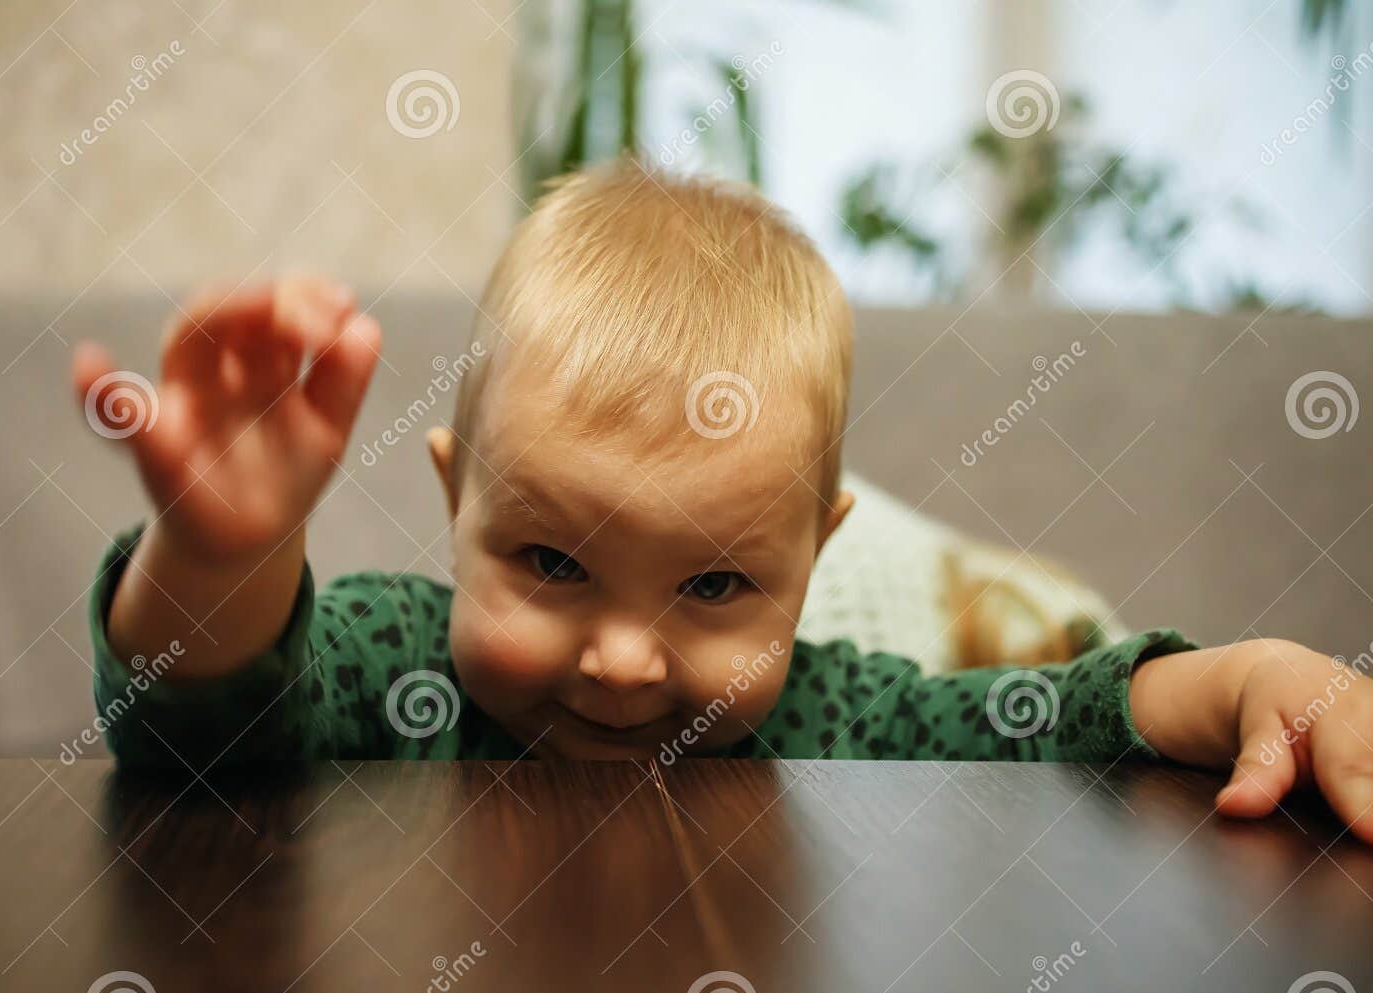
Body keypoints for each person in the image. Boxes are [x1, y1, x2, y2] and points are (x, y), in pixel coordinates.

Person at [75, 157, 1373, 842]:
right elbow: (202, 734)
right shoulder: (399, 664)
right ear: (456, 494)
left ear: (815, 552)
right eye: (552, 563)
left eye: (712, 585)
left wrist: (1249, 677)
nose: (626, 661)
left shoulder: (823, 716)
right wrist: (220, 558)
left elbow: (1041, 724)